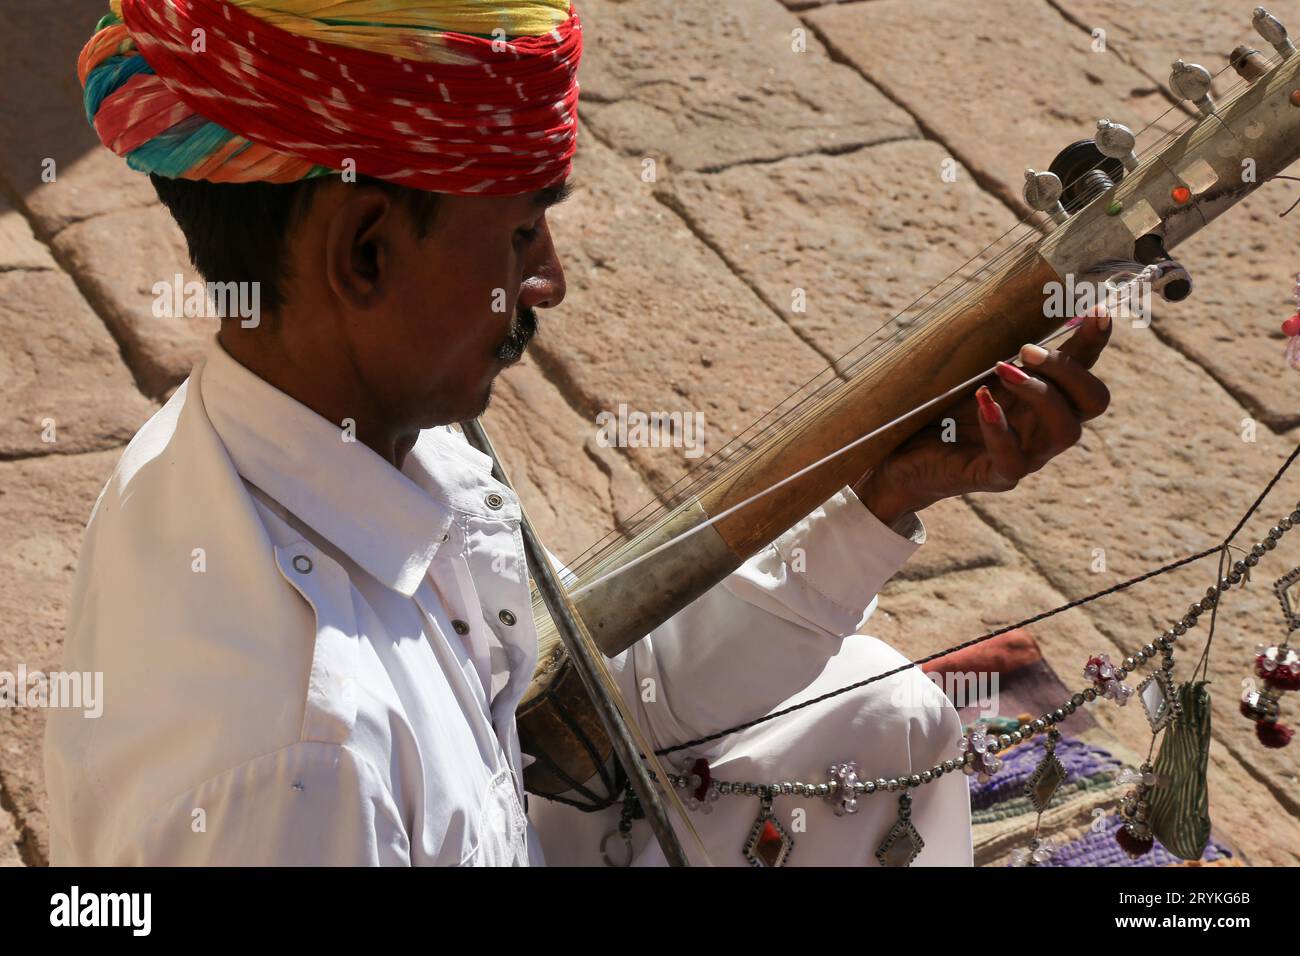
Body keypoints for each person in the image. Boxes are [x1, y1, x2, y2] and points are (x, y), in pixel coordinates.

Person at [45, 0, 1112, 866]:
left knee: (885, 708)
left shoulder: (356, 441)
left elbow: (603, 706)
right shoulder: (307, 764)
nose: (546, 276)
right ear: (365, 250)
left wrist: (885, 496)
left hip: (515, 823)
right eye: (518, 231)